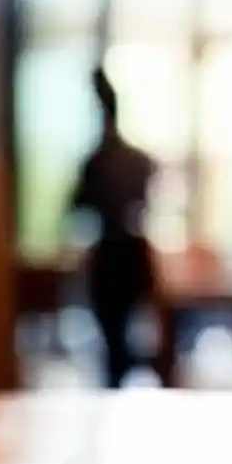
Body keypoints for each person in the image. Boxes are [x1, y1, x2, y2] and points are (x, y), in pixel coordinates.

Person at [68, 68, 160, 388]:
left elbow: (74, 208)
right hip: (127, 253)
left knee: (117, 344)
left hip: (114, 256)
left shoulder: (96, 163)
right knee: (118, 342)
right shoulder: (136, 161)